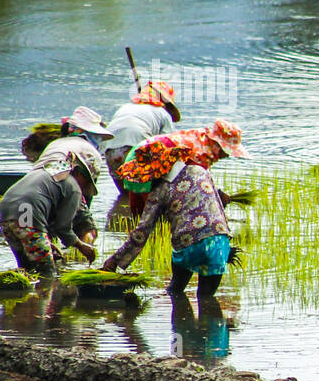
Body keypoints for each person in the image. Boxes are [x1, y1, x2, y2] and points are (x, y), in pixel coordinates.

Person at [101, 150, 241, 299]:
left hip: (188, 246)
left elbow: (141, 233)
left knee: (175, 291)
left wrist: (114, 260)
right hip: (219, 243)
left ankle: (179, 317)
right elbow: (217, 207)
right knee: (207, 300)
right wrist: (225, 245)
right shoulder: (200, 170)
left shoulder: (159, 191)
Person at [115, 118, 246, 216]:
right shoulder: (198, 155)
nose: (226, 156)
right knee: (151, 217)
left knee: (139, 217)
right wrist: (216, 199)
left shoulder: (200, 138)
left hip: (138, 152)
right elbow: (194, 191)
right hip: (145, 162)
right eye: (226, 151)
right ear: (217, 144)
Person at [0, 156, 99, 277]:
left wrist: (46, 243)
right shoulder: (73, 186)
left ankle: (24, 295)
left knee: (26, 268)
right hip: (27, 216)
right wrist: (81, 246)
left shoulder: (46, 171)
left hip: (5, 213)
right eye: (87, 181)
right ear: (78, 173)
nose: (84, 187)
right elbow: (62, 228)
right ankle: (45, 294)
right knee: (47, 272)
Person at [32, 107, 113, 246]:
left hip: (34, 188)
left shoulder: (55, 144)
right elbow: (86, 193)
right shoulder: (90, 151)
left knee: (41, 236)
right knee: (87, 229)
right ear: (91, 134)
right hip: (61, 186)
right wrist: (85, 225)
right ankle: (81, 257)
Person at [103, 80, 181, 192]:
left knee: (125, 194)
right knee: (144, 194)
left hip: (110, 149)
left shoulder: (125, 107)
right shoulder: (162, 113)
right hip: (137, 147)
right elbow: (167, 144)